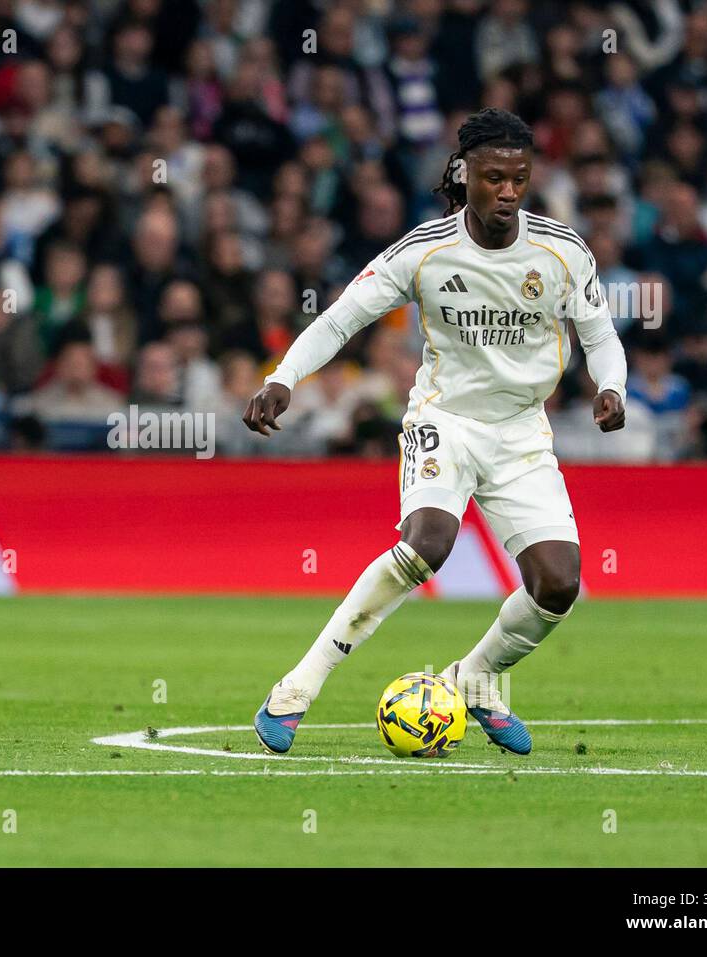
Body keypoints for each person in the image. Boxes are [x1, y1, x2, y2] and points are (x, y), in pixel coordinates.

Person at [242, 109, 628, 756]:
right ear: (465, 174)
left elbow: (601, 337)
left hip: (522, 433)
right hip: (444, 421)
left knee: (560, 582)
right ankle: (296, 687)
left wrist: (612, 386)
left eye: (520, 178)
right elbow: (340, 321)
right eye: (494, 177)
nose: (508, 191)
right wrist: (284, 378)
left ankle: (474, 678)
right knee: (429, 542)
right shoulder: (424, 252)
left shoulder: (562, 251)